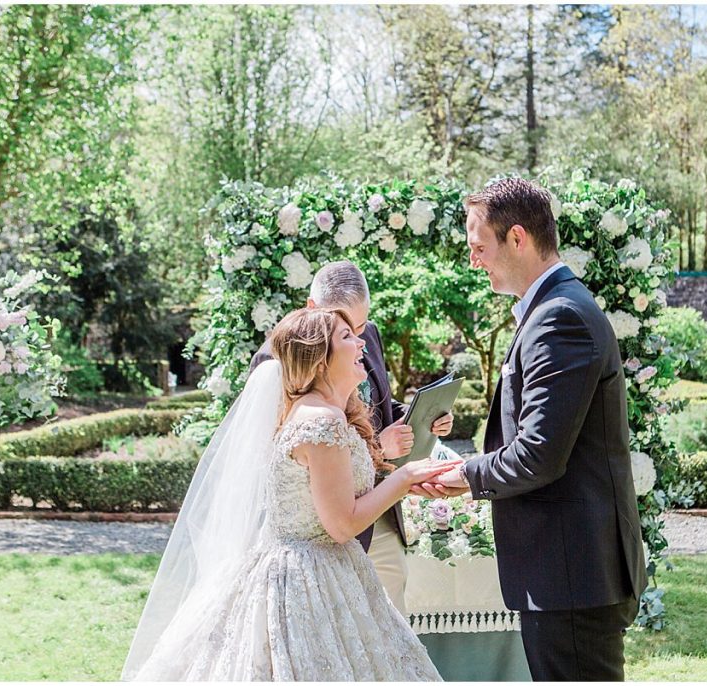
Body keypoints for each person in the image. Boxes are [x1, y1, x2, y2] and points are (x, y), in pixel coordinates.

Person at [122, 308, 455, 681]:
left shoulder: (327, 413)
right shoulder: (320, 422)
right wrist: (404, 479)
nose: (362, 342)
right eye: (347, 337)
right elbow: (343, 524)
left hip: (331, 568)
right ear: (318, 358)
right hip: (304, 580)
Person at [420, 178, 648, 681]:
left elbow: (539, 453)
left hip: (571, 576)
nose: (474, 260)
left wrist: (465, 474)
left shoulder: (558, 317)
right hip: (567, 574)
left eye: (480, 247)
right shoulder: (549, 309)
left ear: (517, 238)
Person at [249, 260, 453, 615]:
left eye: (360, 326)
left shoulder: (366, 336)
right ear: (314, 309)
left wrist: (419, 417)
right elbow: (286, 448)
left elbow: (376, 401)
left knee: (390, 628)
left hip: (382, 514)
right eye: (346, 329)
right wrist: (377, 448)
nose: (358, 339)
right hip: (323, 532)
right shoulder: (277, 358)